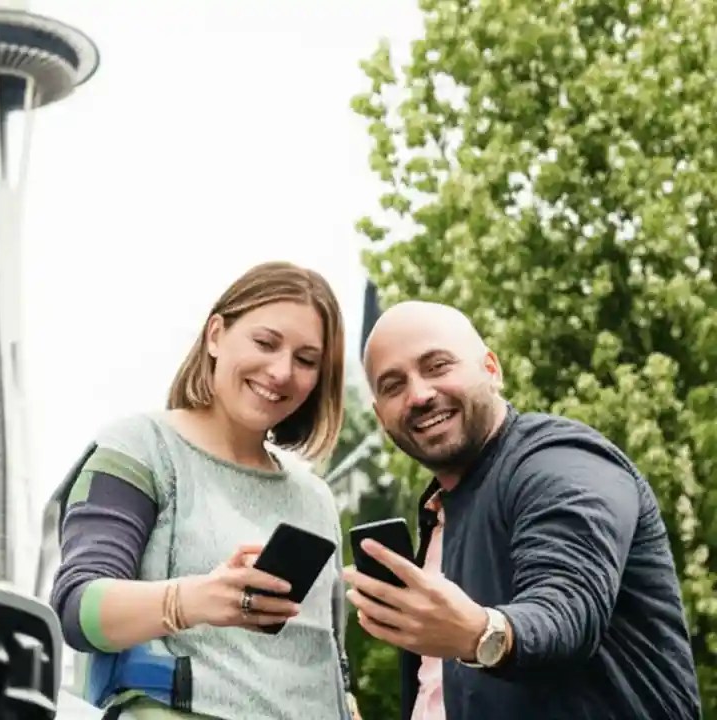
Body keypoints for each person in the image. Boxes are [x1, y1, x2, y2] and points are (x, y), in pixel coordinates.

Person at [345, 300, 701, 719]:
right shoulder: (441, 512)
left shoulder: (559, 462)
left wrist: (481, 634)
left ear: (492, 369)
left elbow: (566, 609)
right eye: (392, 385)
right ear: (379, 415)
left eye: (438, 365)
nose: (419, 395)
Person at [49, 261, 360, 720]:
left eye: (306, 360)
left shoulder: (315, 498)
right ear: (215, 334)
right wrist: (190, 601)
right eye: (265, 343)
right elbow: (76, 610)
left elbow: (329, 659)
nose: (281, 371)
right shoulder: (142, 447)